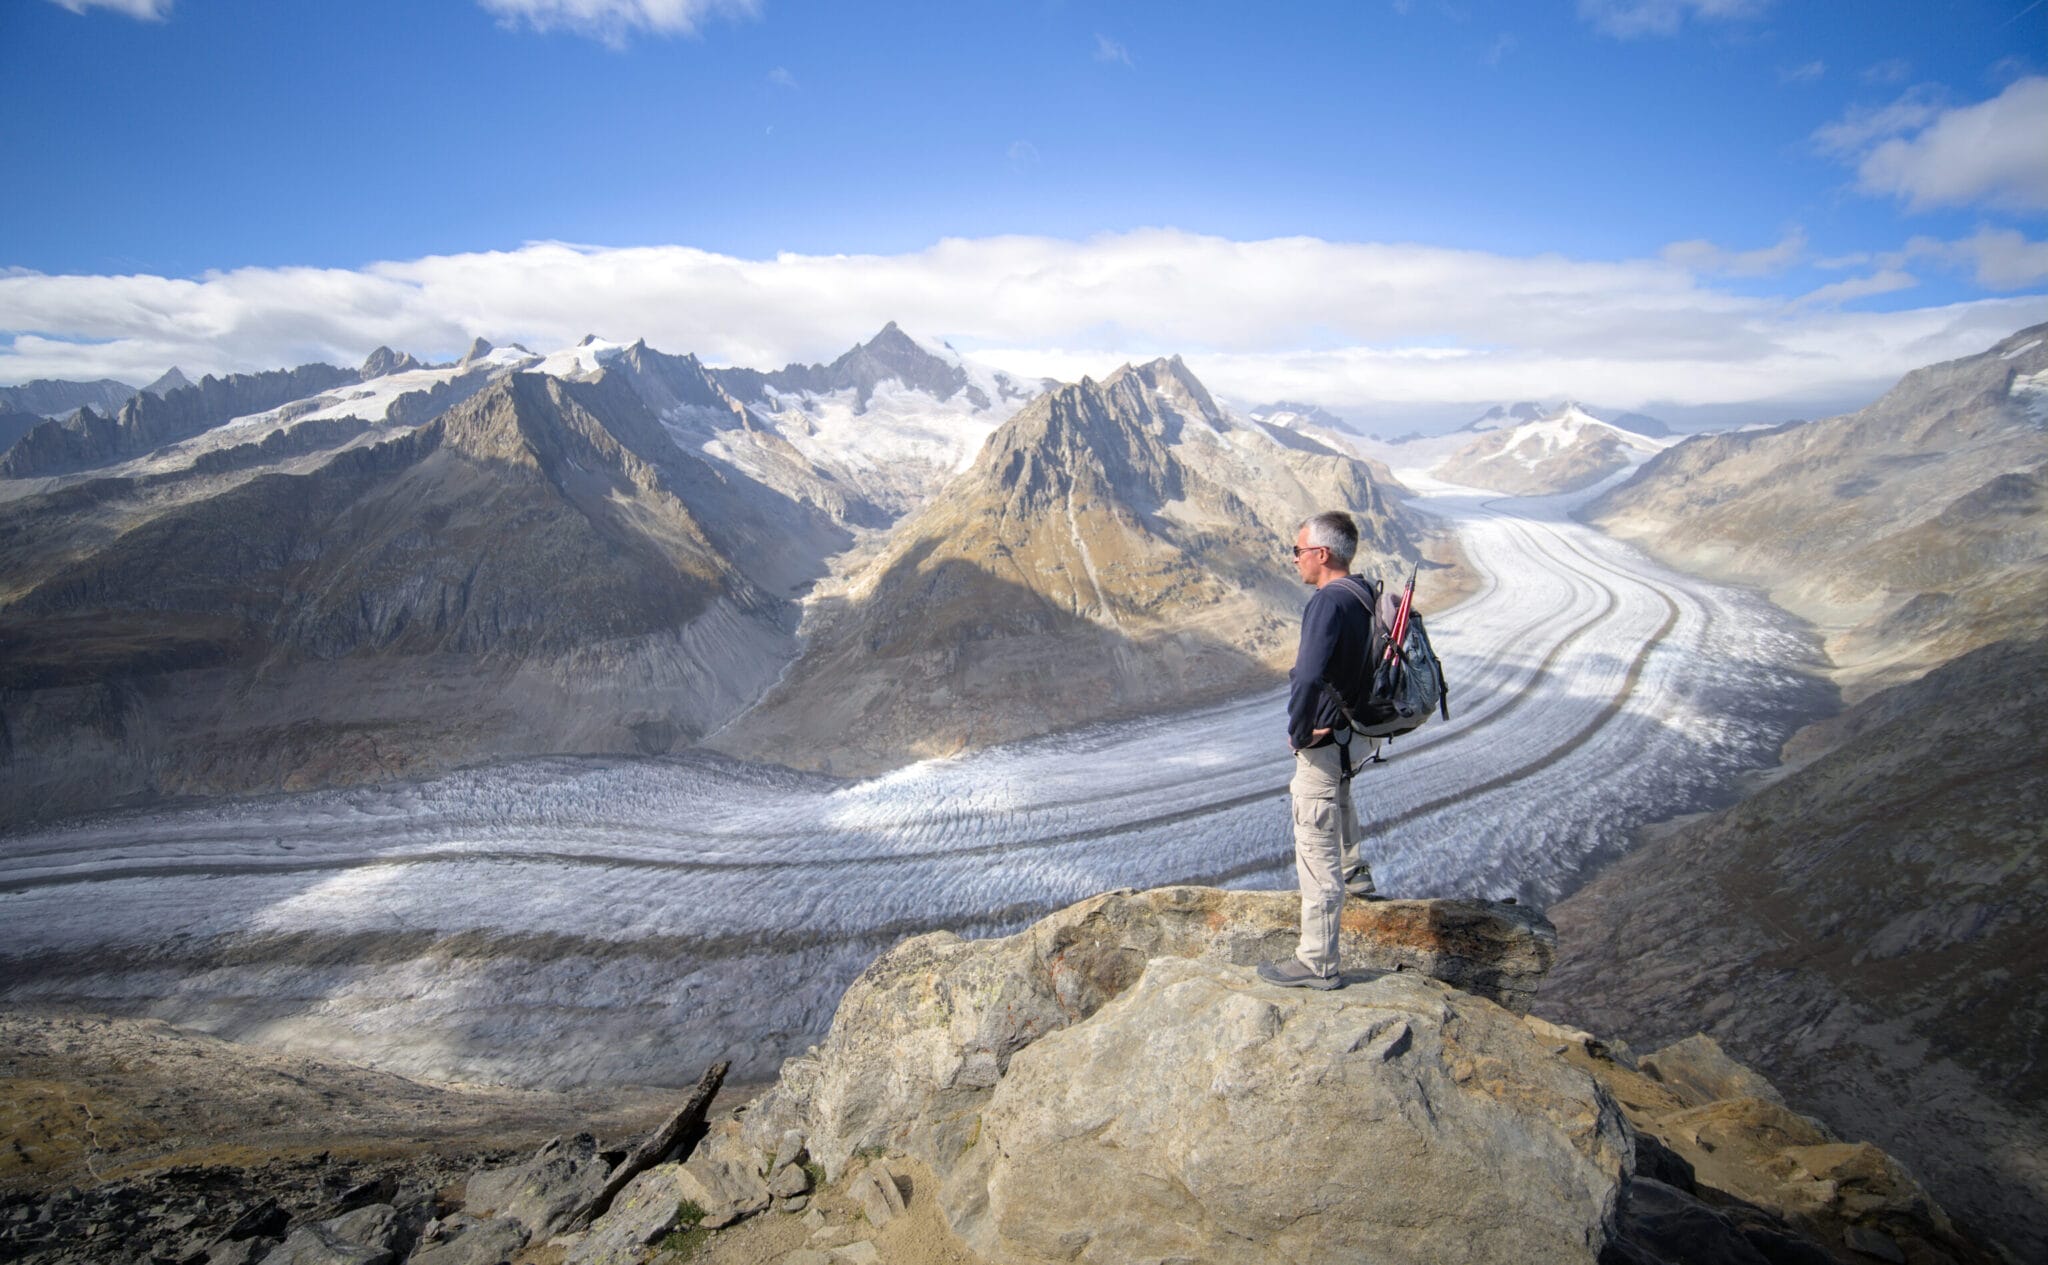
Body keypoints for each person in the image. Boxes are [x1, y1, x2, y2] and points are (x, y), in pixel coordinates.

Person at [1258, 510, 1381, 990]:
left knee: (1314, 841)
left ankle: (1317, 962)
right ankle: (1357, 875)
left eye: (1298, 551)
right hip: (1353, 734)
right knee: (1340, 805)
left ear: (1322, 554)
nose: (1294, 560)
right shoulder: (1364, 593)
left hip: (1325, 739)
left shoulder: (1328, 602)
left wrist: (1299, 730)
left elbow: (1308, 675)